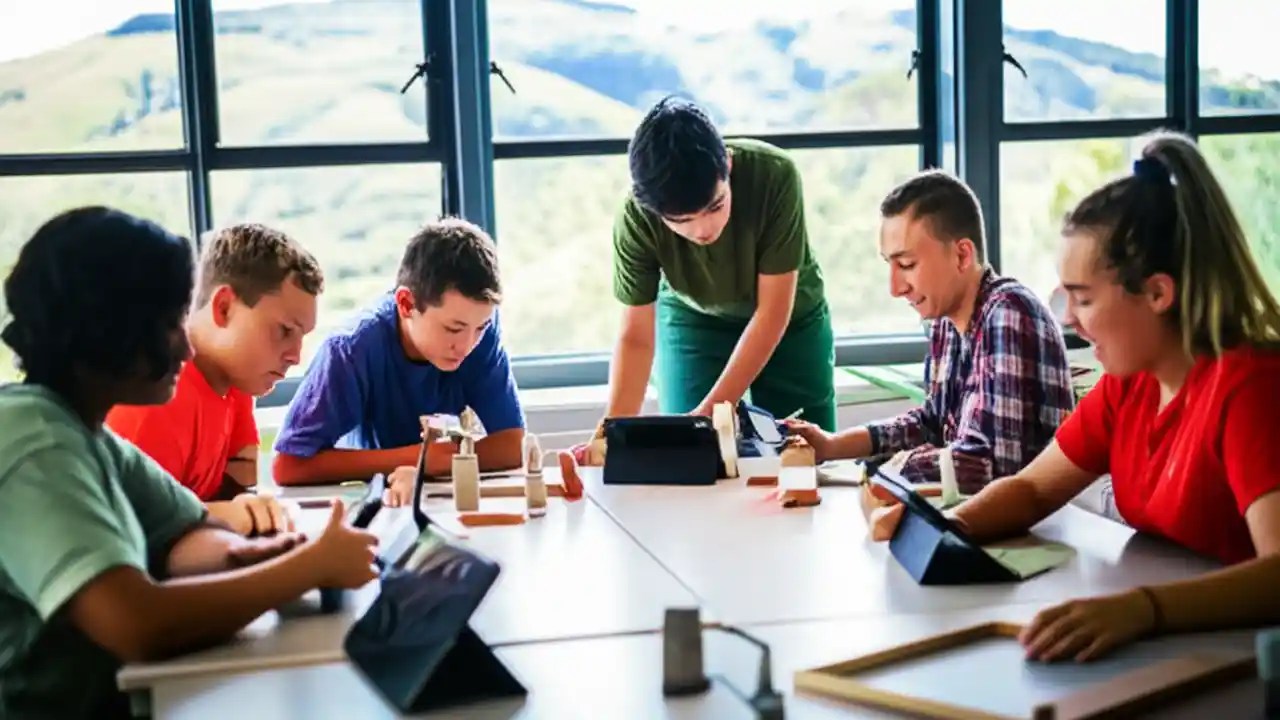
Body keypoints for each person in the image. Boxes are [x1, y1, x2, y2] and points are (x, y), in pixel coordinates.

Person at [868, 131, 1280, 662]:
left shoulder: (1250, 388)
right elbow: (1033, 490)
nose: (1066, 319)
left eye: (1082, 298)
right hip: (1185, 647)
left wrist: (1143, 609)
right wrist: (946, 529)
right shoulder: (1126, 387)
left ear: (1157, 293)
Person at [0, 207, 378, 718]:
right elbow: (138, 626)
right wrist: (302, 570)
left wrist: (270, 556)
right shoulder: (35, 439)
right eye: (169, 323)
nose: (184, 342)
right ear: (108, 327)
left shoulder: (89, 433)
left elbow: (186, 535)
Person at [789, 171, 1074, 492]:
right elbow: (932, 423)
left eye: (907, 265)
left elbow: (994, 464)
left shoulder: (1009, 311)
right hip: (971, 514)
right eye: (890, 265)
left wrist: (888, 468)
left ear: (962, 255)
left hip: (1030, 527)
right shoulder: (945, 323)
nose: (895, 288)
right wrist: (833, 445)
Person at [603, 96, 837, 431]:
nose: (702, 230)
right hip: (693, 318)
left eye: (716, 206)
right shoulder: (635, 217)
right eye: (681, 220)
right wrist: (611, 433)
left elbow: (773, 311)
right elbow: (636, 336)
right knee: (691, 453)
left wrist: (711, 410)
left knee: (804, 450)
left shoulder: (775, 175)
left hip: (789, 318)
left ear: (727, 164)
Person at [272, 217, 525, 505]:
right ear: (406, 304)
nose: (467, 346)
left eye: (480, 327)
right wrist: (418, 458)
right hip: (371, 506)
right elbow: (287, 465)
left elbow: (512, 443)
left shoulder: (480, 336)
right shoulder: (351, 349)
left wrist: (450, 460)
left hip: (438, 501)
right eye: (453, 329)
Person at [106, 223, 323, 536]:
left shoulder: (236, 380)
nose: (295, 356)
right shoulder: (158, 390)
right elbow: (130, 528)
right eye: (285, 330)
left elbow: (238, 487)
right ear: (223, 307)